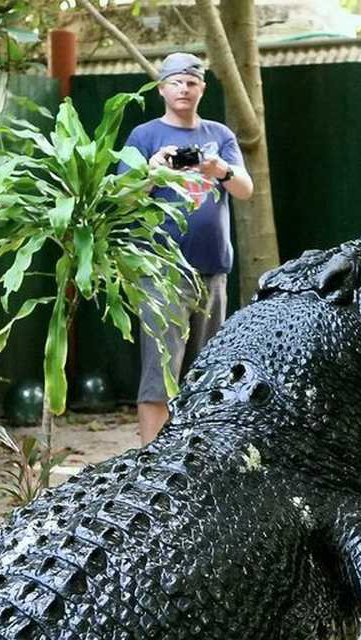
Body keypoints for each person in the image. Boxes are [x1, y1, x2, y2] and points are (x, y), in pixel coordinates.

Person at [119, 52, 254, 444]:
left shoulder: (221, 136)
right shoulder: (144, 137)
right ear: (161, 88)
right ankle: (153, 467)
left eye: (191, 82)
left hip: (212, 272)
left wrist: (220, 170)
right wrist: (153, 171)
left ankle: (196, 461)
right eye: (176, 82)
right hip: (160, 273)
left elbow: (246, 189)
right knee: (160, 375)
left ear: (202, 88)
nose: (184, 88)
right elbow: (122, 199)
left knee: (208, 374)